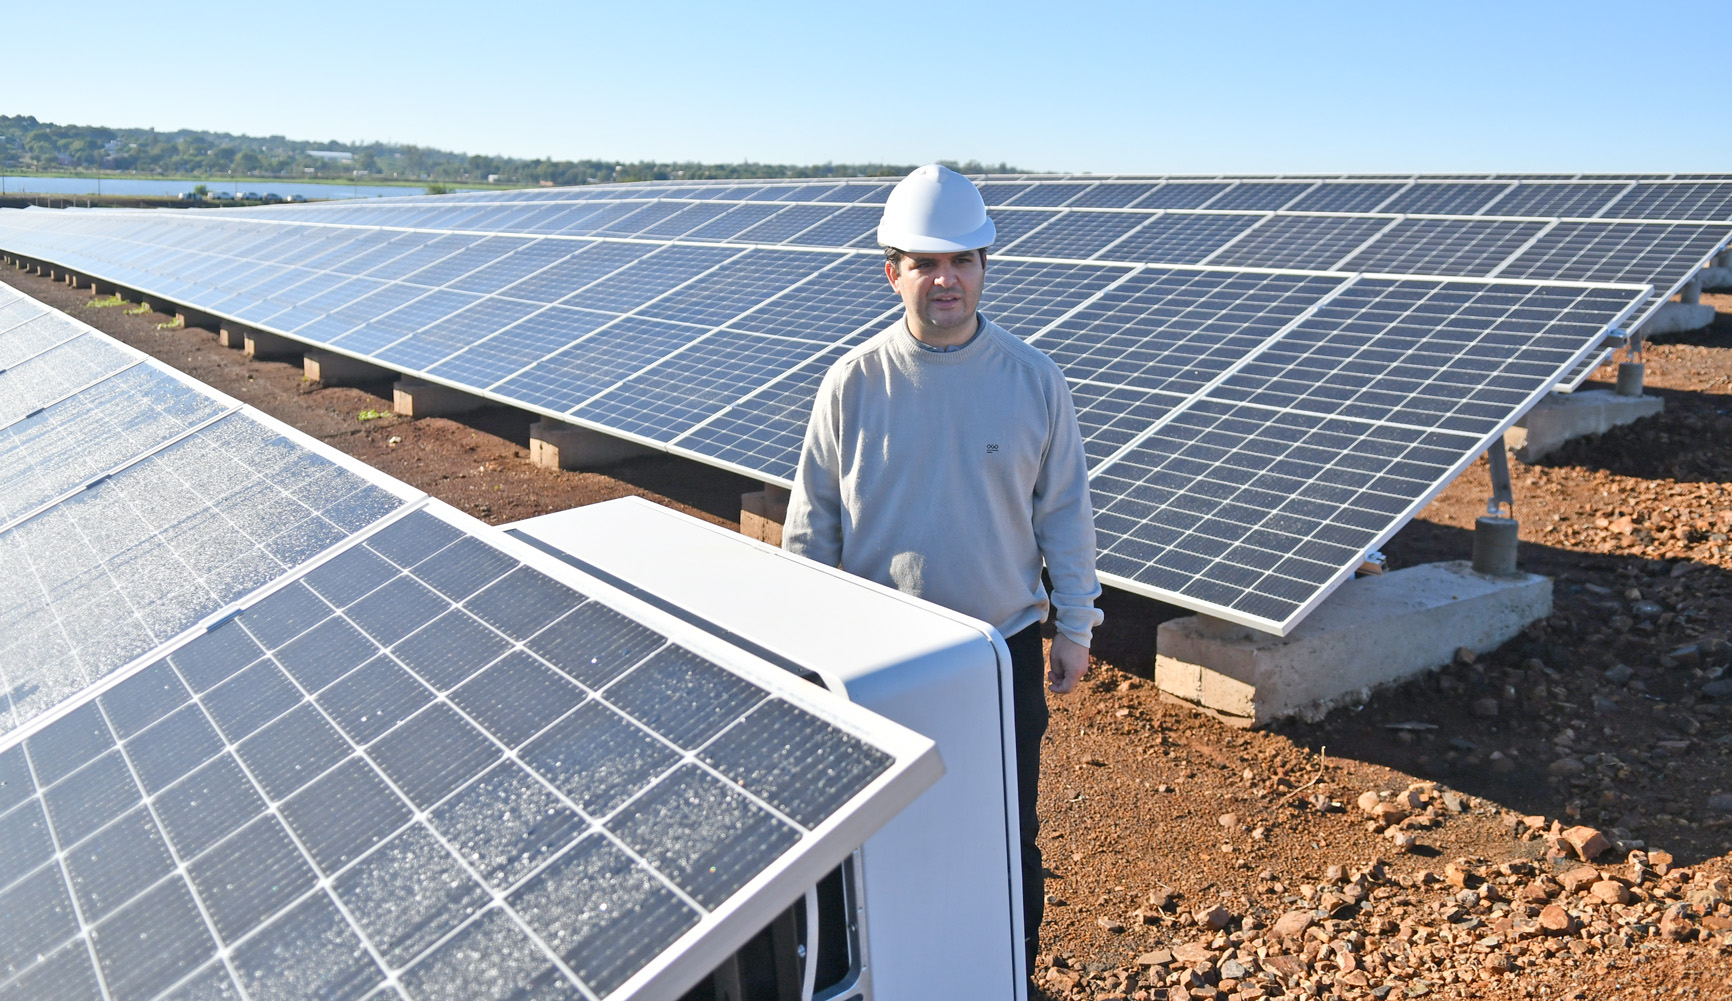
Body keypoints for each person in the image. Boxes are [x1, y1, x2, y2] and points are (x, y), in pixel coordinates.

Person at [782, 163, 1103, 974]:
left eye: (961, 260)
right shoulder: (851, 386)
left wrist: (1076, 623)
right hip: (874, 657)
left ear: (986, 267)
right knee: (873, 834)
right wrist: (804, 655)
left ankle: (1006, 974)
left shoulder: (1034, 381)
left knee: (1002, 829)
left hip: (999, 653)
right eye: (925, 262)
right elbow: (811, 528)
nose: (945, 278)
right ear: (893, 273)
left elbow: (1063, 511)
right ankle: (882, 978)